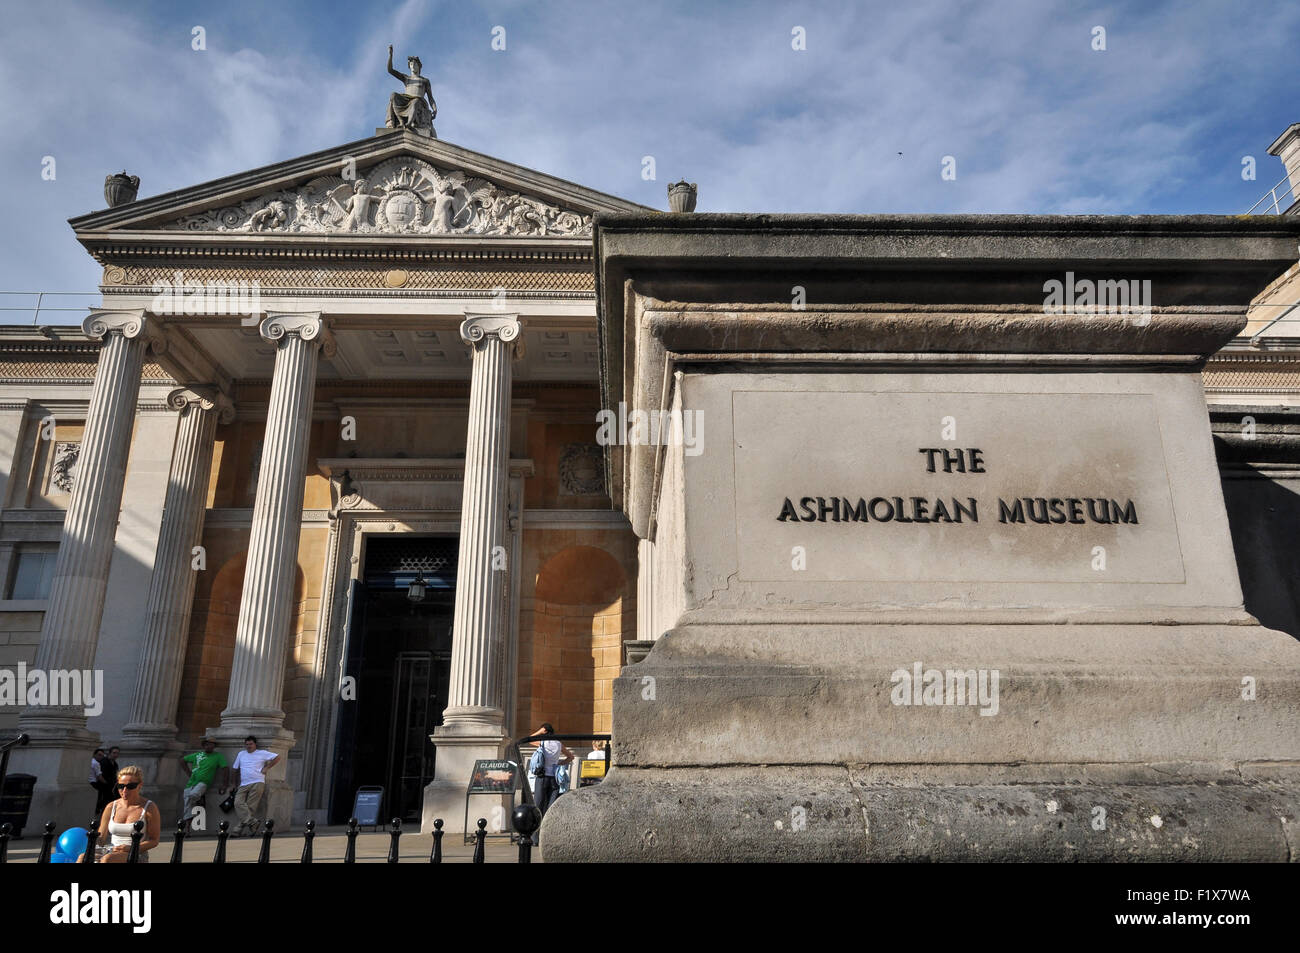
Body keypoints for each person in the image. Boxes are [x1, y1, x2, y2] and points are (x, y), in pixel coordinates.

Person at [83, 765, 161, 863]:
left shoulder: (149, 807)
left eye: (130, 786)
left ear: (140, 785)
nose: (124, 791)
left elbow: (154, 840)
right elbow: (101, 837)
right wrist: (92, 841)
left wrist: (131, 848)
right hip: (110, 850)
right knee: (83, 857)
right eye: (120, 786)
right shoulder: (111, 806)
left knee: (107, 860)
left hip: (137, 853)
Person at [229, 736, 279, 837]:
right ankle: (253, 822)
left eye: (251, 744)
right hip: (243, 784)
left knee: (250, 807)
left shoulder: (262, 753)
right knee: (238, 803)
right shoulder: (241, 754)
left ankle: (237, 830)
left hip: (258, 781)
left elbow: (277, 757)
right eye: (247, 744)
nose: (248, 746)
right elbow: (235, 769)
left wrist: (267, 768)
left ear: (255, 744)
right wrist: (233, 784)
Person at [179, 736, 229, 830]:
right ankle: (188, 829)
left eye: (210, 745)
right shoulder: (197, 755)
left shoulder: (218, 756)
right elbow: (182, 760)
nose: (208, 746)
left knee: (192, 796)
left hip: (204, 782)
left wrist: (224, 784)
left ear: (214, 746)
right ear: (203, 746)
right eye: (206, 745)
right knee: (187, 808)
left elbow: (225, 769)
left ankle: (200, 800)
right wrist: (188, 773)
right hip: (191, 783)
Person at [527, 723, 573, 820]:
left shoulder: (543, 742)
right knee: (551, 807)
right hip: (554, 778)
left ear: (545, 731)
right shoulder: (558, 743)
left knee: (538, 805)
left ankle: (536, 834)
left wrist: (540, 731)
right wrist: (560, 763)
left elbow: (529, 739)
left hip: (542, 776)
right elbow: (570, 757)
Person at [89, 747, 110, 813]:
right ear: (94, 755)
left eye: (102, 755)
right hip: (94, 783)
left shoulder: (90, 761)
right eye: (99, 755)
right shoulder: (96, 763)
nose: (100, 757)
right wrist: (107, 783)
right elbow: (99, 776)